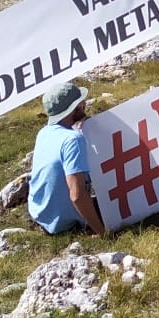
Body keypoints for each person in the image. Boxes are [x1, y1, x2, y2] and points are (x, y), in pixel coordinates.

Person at [30, 81, 107, 236]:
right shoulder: (73, 140)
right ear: (73, 109)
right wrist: (103, 233)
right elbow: (77, 196)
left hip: (40, 214)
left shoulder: (44, 133)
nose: (84, 105)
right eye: (81, 103)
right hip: (62, 224)